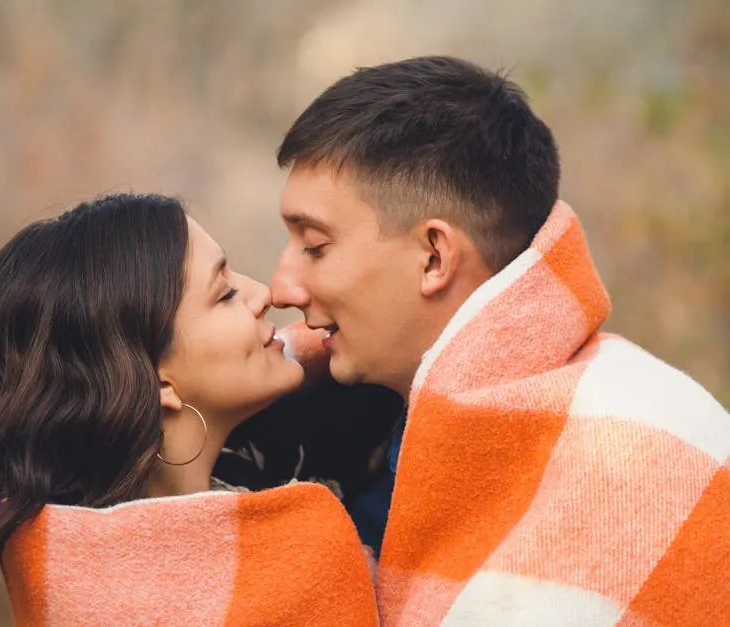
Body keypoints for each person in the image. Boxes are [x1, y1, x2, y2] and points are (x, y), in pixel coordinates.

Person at [271, 56, 730, 625]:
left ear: (434, 257)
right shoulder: (347, 439)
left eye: (315, 246)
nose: (280, 288)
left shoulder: (643, 447)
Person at [0, 194, 379, 625]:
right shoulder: (296, 544)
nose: (265, 295)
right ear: (157, 381)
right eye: (225, 294)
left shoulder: (301, 451)